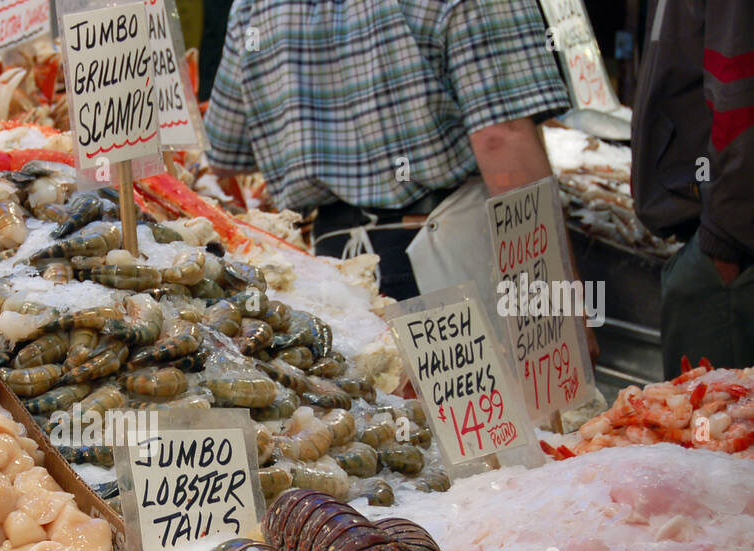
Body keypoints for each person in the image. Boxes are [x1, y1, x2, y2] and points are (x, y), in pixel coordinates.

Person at [203, 0, 598, 359]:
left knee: (383, 427)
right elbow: (501, 136)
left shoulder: (251, 6)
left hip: (334, 274)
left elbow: (226, 148)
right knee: (492, 433)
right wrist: (553, 308)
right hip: (453, 263)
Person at [633, 0, 754, 377]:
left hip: (728, 254)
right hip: (713, 236)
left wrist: (723, 241)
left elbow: (737, 85)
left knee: (707, 429)